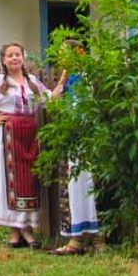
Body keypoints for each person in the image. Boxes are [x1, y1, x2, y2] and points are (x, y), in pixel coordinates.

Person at [0, 42, 66, 249]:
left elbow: (48, 99)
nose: (14, 58)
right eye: (10, 55)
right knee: (9, 182)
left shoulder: (32, 82)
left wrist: (63, 81)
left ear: (24, 57)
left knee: (29, 181)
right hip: (8, 136)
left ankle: (28, 230)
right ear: (4, 60)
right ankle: (14, 232)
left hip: (29, 136)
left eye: (17, 54)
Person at [53, 39, 100, 255]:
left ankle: (81, 238)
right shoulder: (71, 78)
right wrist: (63, 76)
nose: (62, 58)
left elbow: (80, 110)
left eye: (66, 53)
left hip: (81, 138)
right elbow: (54, 100)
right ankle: (80, 237)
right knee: (75, 185)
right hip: (74, 138)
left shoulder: (82, 79)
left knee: (81, 184)